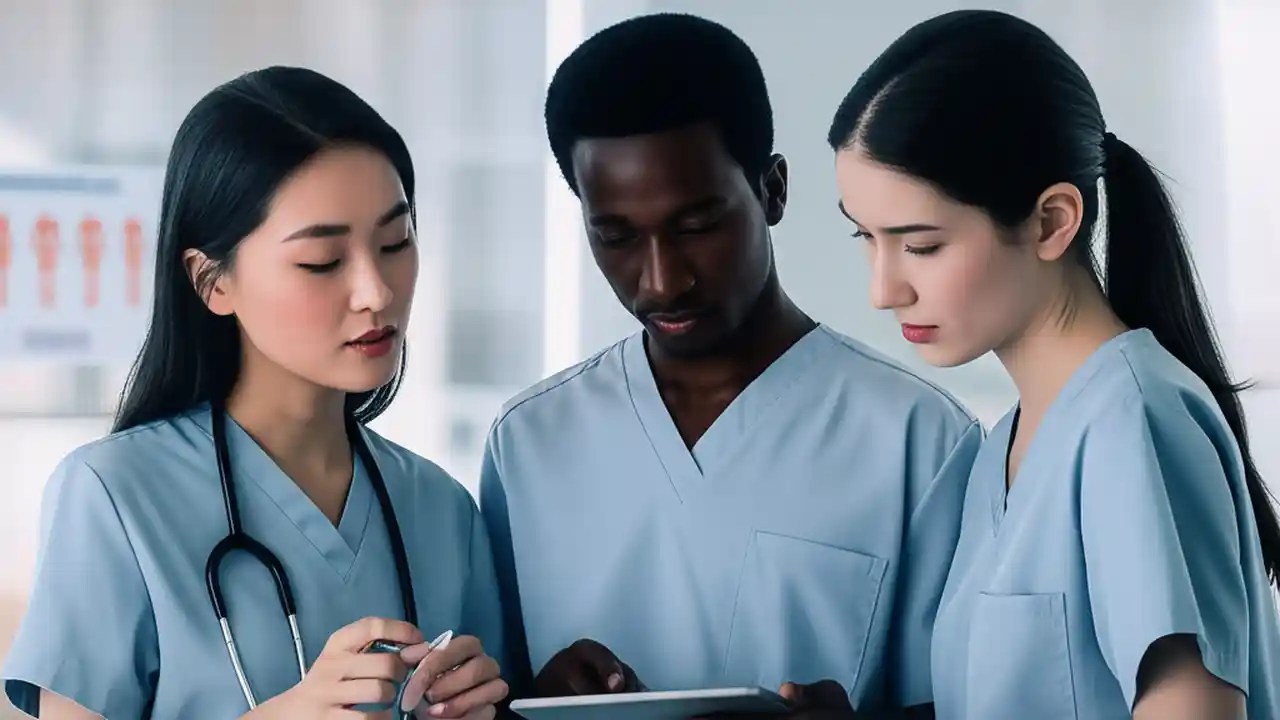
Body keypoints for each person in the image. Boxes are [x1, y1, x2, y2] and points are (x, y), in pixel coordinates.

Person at [478, 13, 982, 717]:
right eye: (616, 235)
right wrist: (527, 702)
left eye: (696, 226)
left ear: (772, 191)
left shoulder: (919, 440)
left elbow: (964, 701)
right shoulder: (528, 442)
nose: (660, 281)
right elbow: (477, 694)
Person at [2, 67, 509, 720]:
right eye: (322, 261)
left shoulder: (441, 510)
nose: (376, 292)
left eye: (395, 242)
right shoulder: (113, 498)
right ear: (213, 282)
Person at [828, 9, 1280, 719]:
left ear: (1050, 221)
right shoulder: (998, 454)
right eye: (865, 236)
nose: (884, 289)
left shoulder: (1133, 420)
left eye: (919, 245)